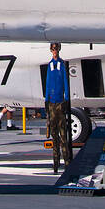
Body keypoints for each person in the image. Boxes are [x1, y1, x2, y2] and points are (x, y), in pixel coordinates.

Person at [44, 42, 72, 174]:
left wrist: (66, 98)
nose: (55, 51)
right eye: (53, 49)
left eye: (56, 48)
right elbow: (48, 82)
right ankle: (55, 162)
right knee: (53, 135)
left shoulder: (61, 64)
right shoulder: (50, 65)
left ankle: (67, 162)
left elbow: (65, 81)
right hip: (51, 103)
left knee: (63, 135)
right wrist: (46, 99)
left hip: (60, 102)